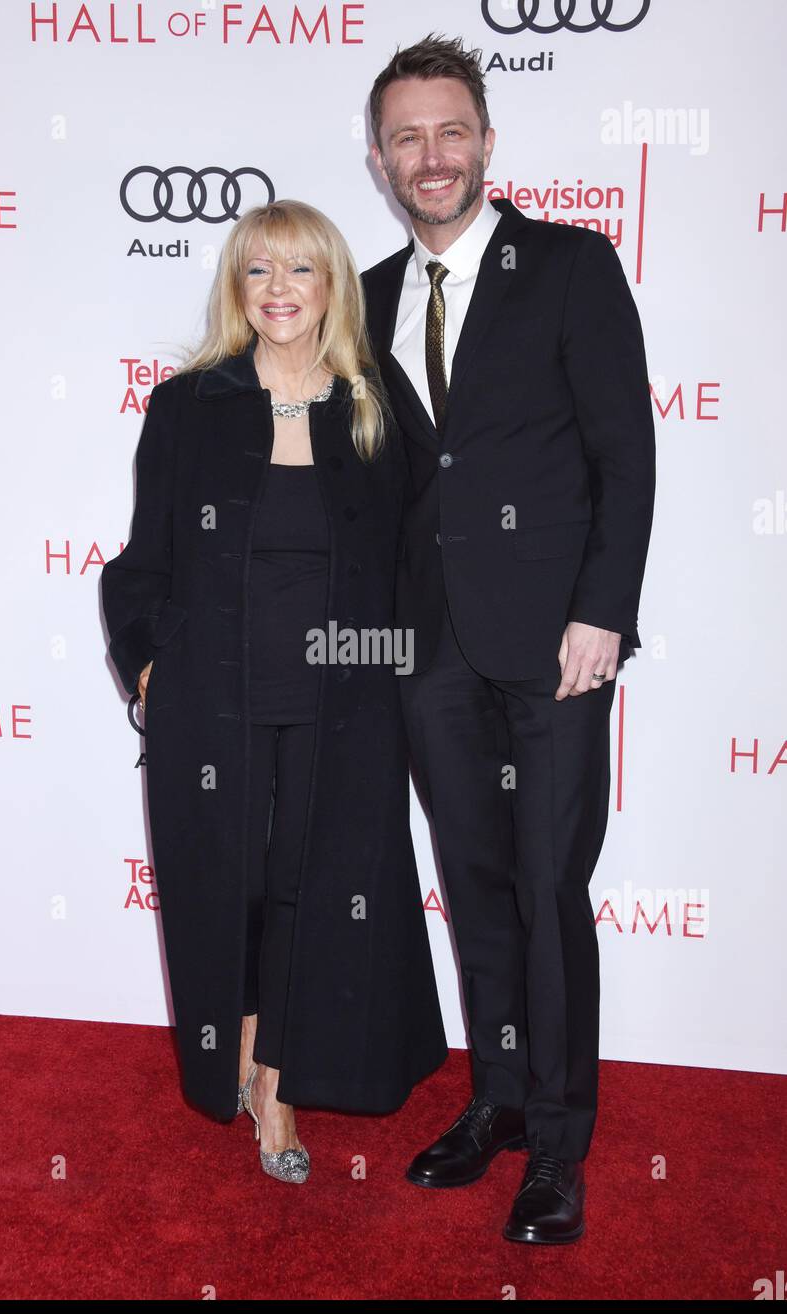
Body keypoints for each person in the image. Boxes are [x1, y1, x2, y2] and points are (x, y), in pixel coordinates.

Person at [362, 34, 655, 1241]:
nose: (429, 157)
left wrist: (603, 613)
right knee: (473, 887)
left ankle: (559, 1144)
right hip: (427, 651)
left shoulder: (572, 268)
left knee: (546, 888)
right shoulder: (368, 294)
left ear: (485, 139)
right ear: (378, 159)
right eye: (404, 138)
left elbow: (624, 457)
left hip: (554, 648)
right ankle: (493, 1098)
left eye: (448, 131)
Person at [101, 199, 447, 1184]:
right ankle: (243, 1068)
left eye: (300, 271)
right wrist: (148, 667)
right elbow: (141, 561)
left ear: (332, 284)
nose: (279, 291)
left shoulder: (373, 402)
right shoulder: (188, 404)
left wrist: (401, 668)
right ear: (236, 288)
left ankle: (277, 1089)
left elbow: (421, 557)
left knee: (313, 891)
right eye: (259, 272)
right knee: (231, 890)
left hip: (345, 698)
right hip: (211, 694)